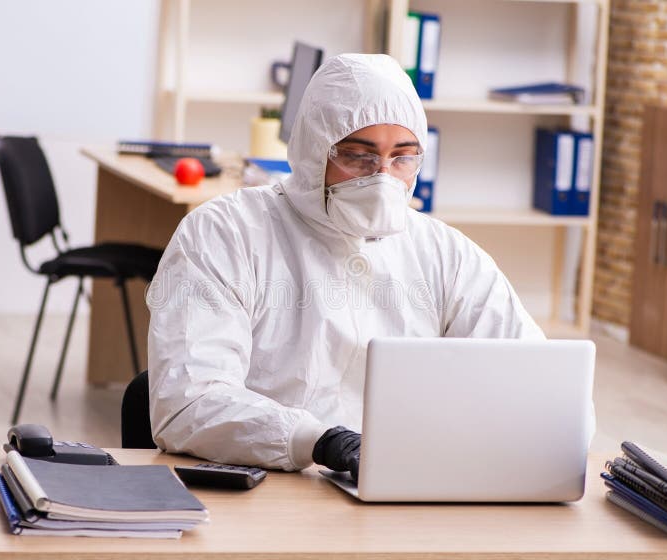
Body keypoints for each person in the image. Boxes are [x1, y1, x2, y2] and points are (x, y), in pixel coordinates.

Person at [146, 53, 544, 481]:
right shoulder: (226, 233)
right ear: (314, 151)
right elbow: (187, 402)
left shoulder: (445, 252)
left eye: (402, 158)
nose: (382, 177)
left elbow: (536, 380)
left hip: (401, 486)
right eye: (358, 156)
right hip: (267, 485)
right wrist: (319, 441)